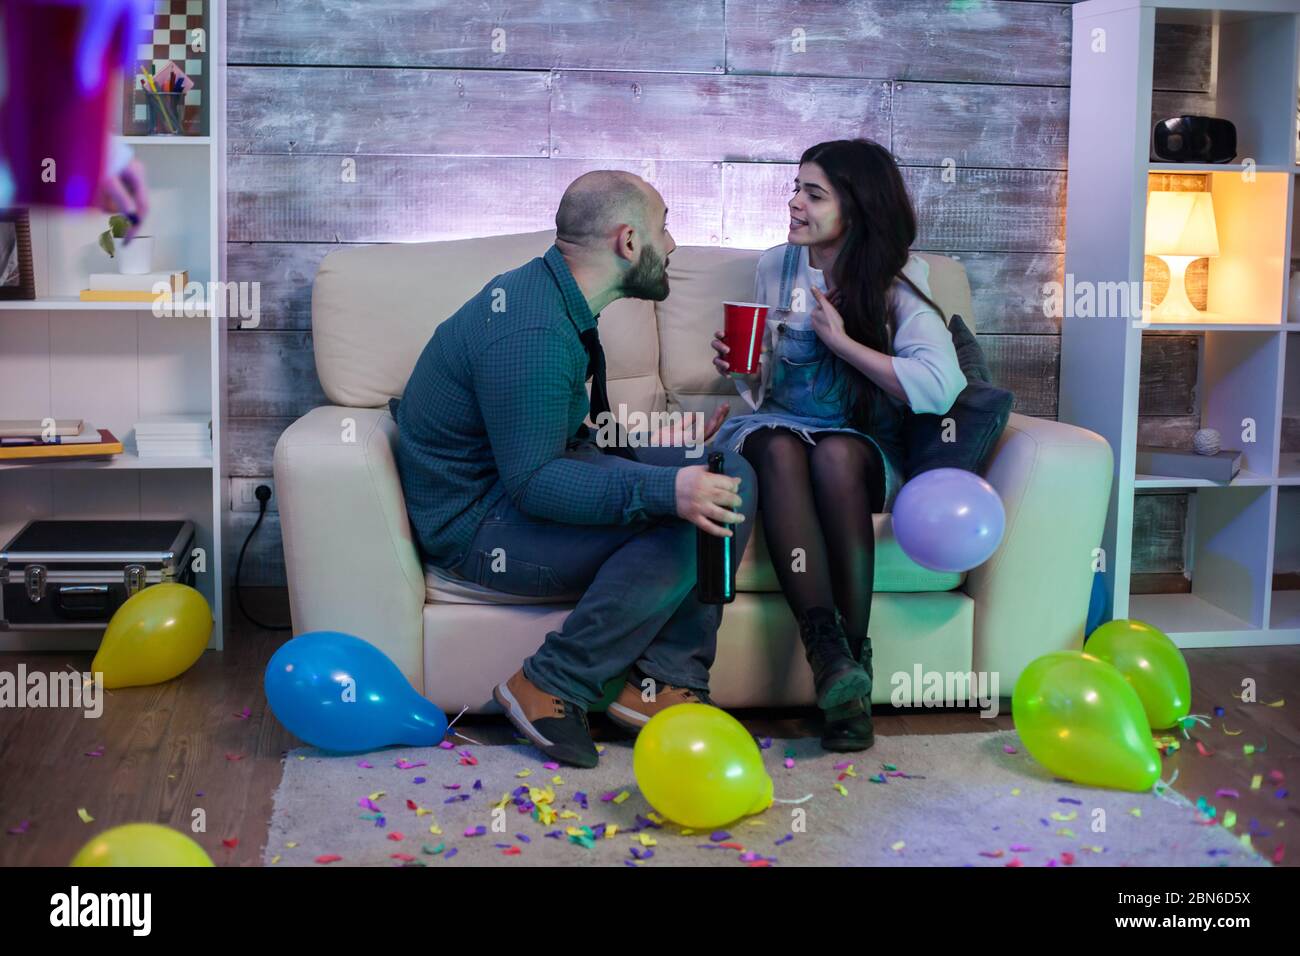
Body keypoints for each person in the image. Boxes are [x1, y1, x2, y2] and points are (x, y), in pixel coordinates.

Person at [393, 170, 758, 768]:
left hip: (514, 490)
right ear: (628, 242)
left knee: (727, 474)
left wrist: (647, 442)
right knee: (688, 512)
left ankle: (660, 683)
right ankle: (549, 682)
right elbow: (534, 482)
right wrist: (667, 487)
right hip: (481, 526)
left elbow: (549, 433)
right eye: (664, 229)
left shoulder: (553, 298)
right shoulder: (533, 331)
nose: (672, 246)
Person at [711, 139, 965, 752]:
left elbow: (939, 387)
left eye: (813, 193)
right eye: (795, 189)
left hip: (854, 445)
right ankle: (833, 662)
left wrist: (845, 341)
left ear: (857, 207)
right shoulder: (777, 266)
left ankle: (848, 666)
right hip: (777, 427)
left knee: (832, 453)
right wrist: (741, 369)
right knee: (777, 444)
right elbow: (765, 386)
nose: (794, 203)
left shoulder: (899, 280)